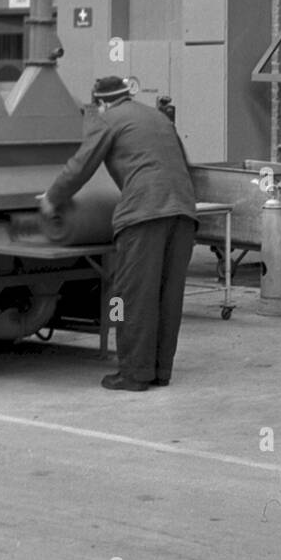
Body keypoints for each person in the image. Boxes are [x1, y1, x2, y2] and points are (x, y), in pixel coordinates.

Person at [39, 76, 197, 392]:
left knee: (130, 298)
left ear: (102, 102)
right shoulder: (158, 117)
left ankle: (133, 375)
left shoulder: (109, 119)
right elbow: (183, 165)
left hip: (144, 215)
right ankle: (159, 371)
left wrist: (51, 199)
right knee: (168, 296)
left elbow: (80, 166)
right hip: (183, 213)